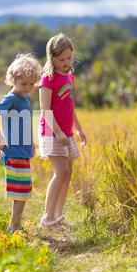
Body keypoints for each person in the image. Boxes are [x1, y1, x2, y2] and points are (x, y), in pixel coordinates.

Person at [0, 53, 42, 234]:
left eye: (31, 84)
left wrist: (32, 144)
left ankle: (16, 224)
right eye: (23, 84)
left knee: (23, 190)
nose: (27, 88)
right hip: (14, 151)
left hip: (22, 151)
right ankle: (13, 226)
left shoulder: (24, 98)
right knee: (20, 191)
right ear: (13, 80)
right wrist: (0, 138)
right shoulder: (12, 98)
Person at [38, 33, 87, 231]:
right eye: (61, 59)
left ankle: (58, 216)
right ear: (52, 58)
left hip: (66, 133)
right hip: (52, 133)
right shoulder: (47, 79)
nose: (66, 62)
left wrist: (79, 129)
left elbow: (70, 106)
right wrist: (57, 131)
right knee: (61, 172)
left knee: (68, 174)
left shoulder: (69, 77)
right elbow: (45, 110)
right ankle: (47, 218)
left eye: (69, 58)